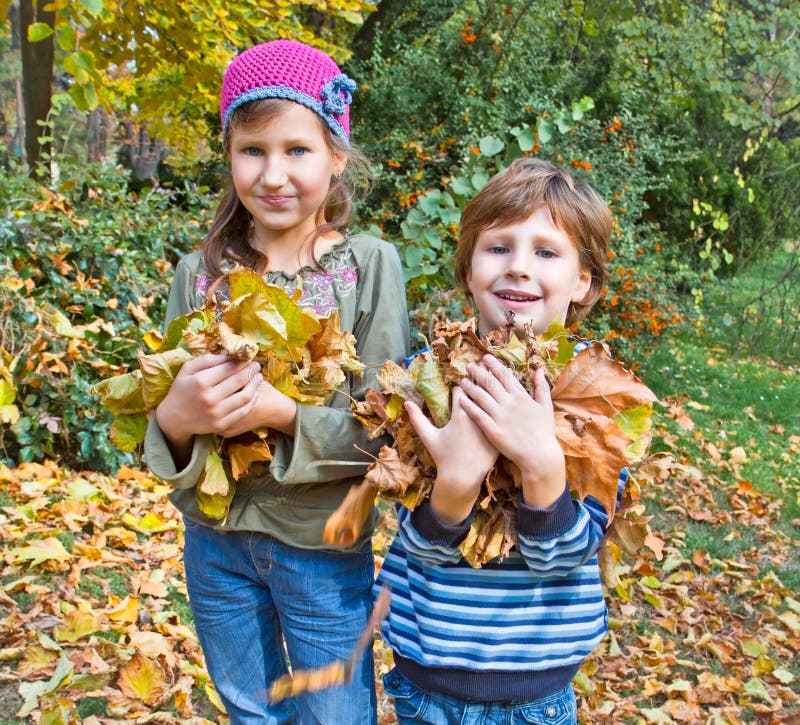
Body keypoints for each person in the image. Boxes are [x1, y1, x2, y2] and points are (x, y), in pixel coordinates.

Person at [144, 39, 409, 725]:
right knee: (250, 709)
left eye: (298, 150)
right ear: (229, 154)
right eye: (252, 149)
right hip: (215, 543)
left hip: (320, 546)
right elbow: (163, 423)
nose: (273, 172)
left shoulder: (368, 267)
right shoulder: (197, 275)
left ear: (337, 157)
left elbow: (386, 436)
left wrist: (283, 413)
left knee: (335, 713)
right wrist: (176, 415)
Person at [377, 157, 618, 724]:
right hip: (425, 680)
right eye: (498, 247)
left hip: (537, 693)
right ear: (467, 270)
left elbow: (564, 556)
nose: (518, 268)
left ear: (583, 279)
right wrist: (456, 483)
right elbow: (423, 550)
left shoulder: (598, 397)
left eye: (546, 252)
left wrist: (540, 464)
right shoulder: (427, 378)